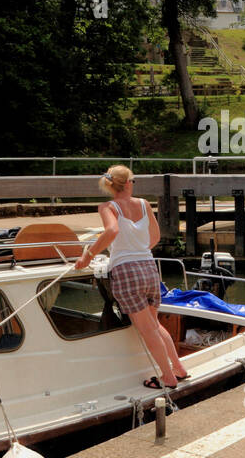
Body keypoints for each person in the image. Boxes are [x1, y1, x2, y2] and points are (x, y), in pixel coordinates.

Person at [74, 165, 188, 388]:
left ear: (111, 185)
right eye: (133, 180)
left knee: (147, 330)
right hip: (149, 267)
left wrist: (87, 256)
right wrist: (137, 248)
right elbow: (154, 238)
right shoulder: (144, 205)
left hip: (126, 271)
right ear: (127, 183)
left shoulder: (108, 206)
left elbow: (112, 231)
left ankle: (168, 377)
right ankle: (178, 368)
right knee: (154, 324)